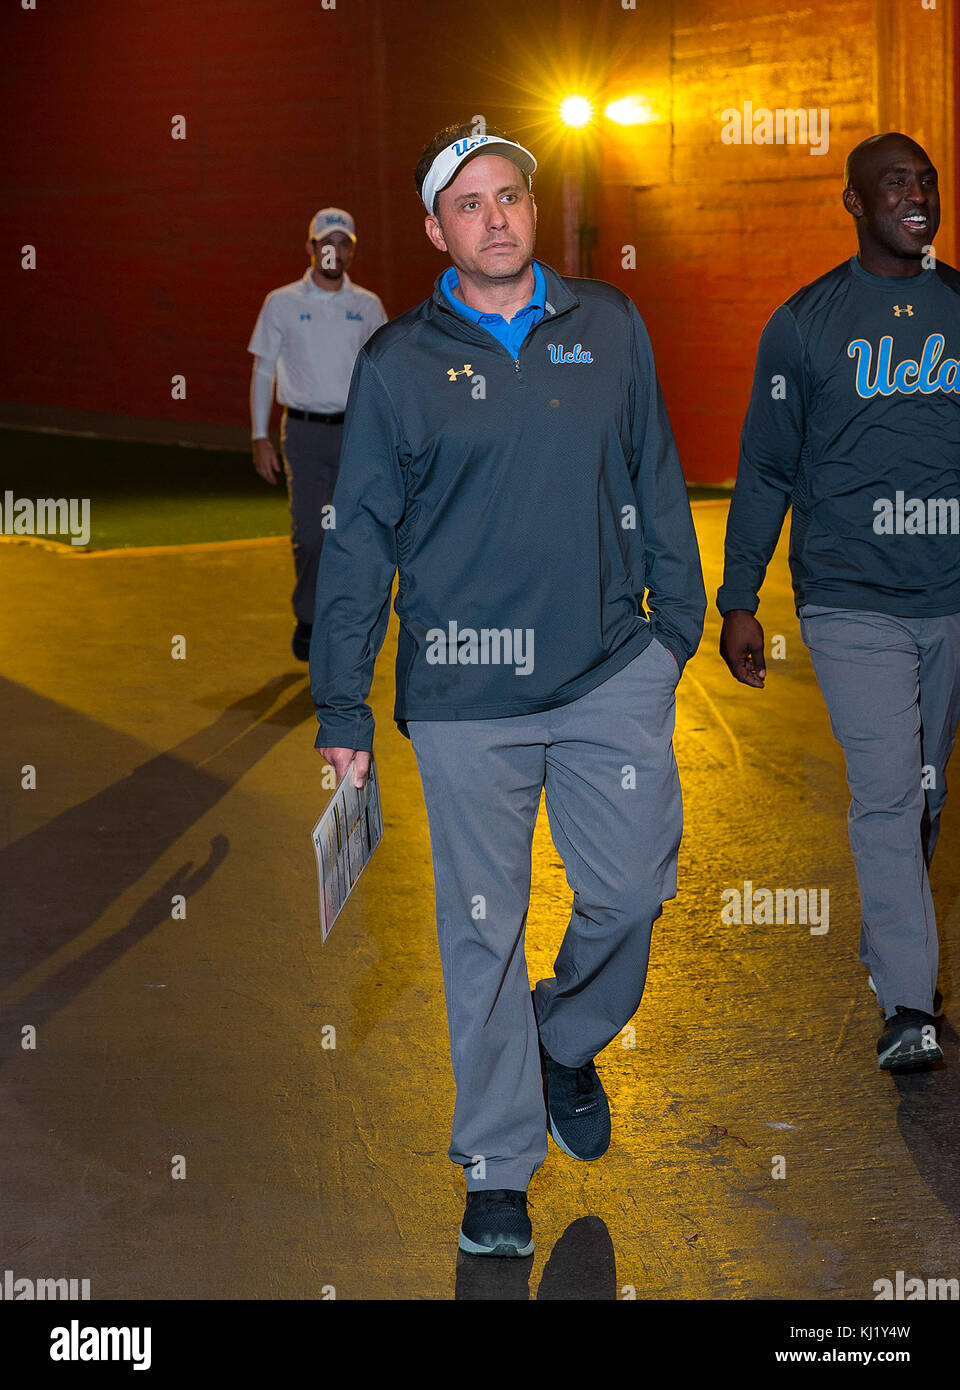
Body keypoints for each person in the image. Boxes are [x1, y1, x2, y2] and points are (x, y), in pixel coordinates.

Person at [309, 121, 706, 1257]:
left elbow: (657, 475)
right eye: (469, 203)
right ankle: (496, 1162)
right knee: (483, 930)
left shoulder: (609, 327)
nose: (496, 217)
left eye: (511, 197)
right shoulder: (396, 364)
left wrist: (672, 632)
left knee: (631, 892)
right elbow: (360, 543)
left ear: (535, 212)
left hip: (604, 675)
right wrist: (343, 711)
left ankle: (564, 1041)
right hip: (464, 702)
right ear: (437, 230)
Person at [717, 132, 960, 1074]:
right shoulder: (805, 323)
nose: (918, 194)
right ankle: (908, 1000)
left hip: (947, 595)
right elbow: (768, 466)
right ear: (853, 202)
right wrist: (740, 597)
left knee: (927, 792)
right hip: (850, 599)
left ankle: (890, 941)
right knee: (889, 793)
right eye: (895, 183)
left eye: (927, 180)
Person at [247, 209, 387, 660]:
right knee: (311, 534)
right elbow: (263, 367)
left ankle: (347, 623)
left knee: (354, 534)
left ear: (351, 251)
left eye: (344, 243)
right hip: (303, 434)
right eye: (326, 242)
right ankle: (308, 617)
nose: (335, 250)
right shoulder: (281, 302)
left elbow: (383, 374)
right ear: (310, 248)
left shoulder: (367, 305)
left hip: (355, 434)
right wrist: (258, 435)